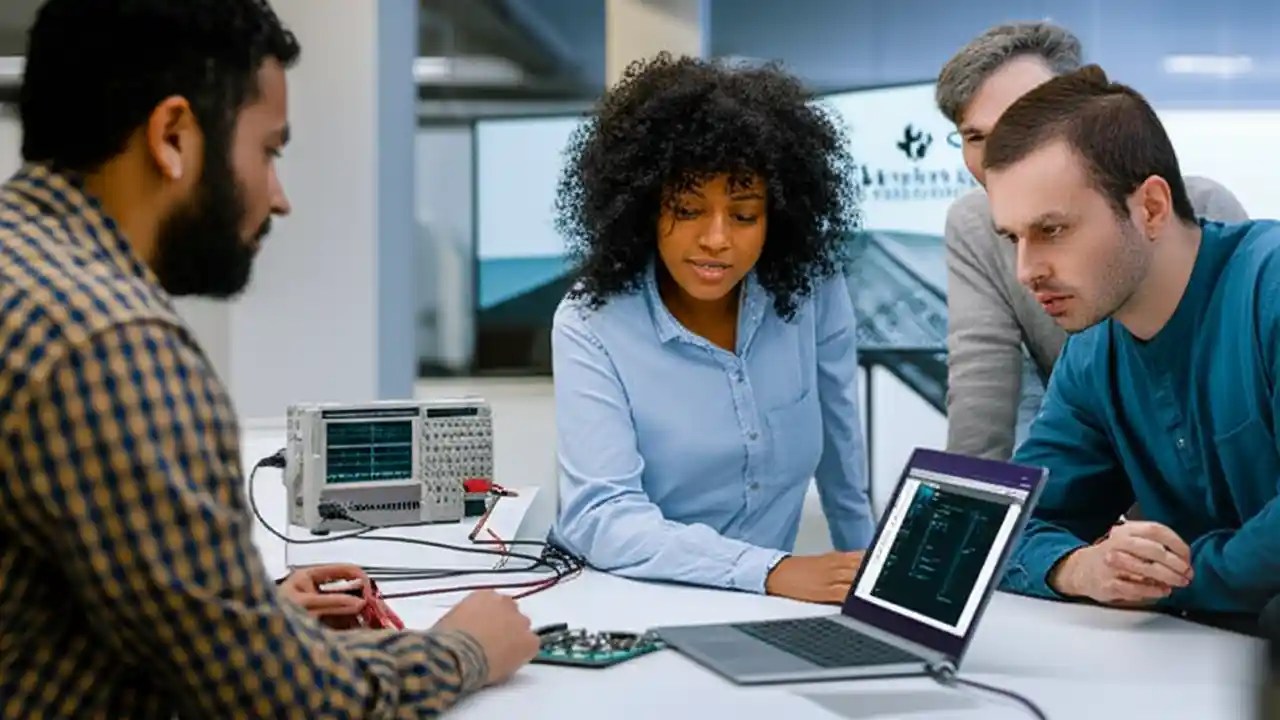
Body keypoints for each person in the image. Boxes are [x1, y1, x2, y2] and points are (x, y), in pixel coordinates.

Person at [0, 1, 537, 716]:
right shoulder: (113, 343)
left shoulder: (21, 265)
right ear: (172, 137)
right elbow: (273, 702)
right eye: (269, 151)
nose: (278, 198)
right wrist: (465, 648)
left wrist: (254, 612)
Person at [549, 52, 873, 605]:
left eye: (744, 215)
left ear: (777, 216)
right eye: (688, 209)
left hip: (763, 613)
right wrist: (769, 571)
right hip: (628, 607)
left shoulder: (812, 291)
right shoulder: (590, 324)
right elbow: (602, 516)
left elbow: (844, 466)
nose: (717, 238)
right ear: (645, 207)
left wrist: (873, 587)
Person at [985, 65, 1280, 614]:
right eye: (1013, 238)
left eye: (1052, 230)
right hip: (1207, 664)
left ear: (1149, 208)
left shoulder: (1269, 285)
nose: (1026, 271)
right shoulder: (1093, 354)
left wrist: (1180, 581)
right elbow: (1010, 529)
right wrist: (1082, 567)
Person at [935, 21, 1248, 460]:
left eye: (1054, 230)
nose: (997, 158)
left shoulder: (1215, 221)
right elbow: (982, 395)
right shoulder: (1087, 363)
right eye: (974, 137)